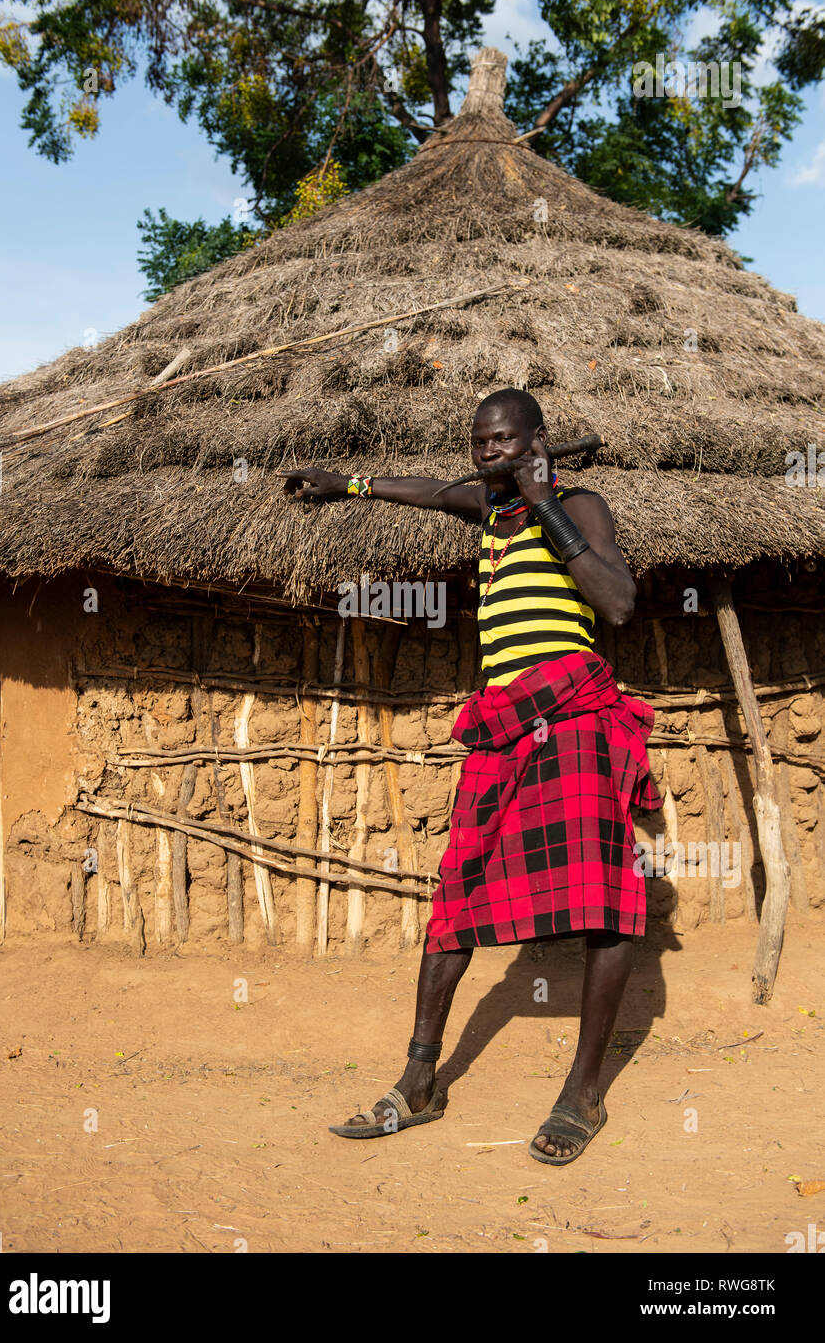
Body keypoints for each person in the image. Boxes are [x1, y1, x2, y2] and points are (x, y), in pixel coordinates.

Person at [281, 387, 661, 1164]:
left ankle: (582, 1096)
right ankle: (420, 1079)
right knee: (456, 895)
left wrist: (545, 499)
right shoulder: (487, 511)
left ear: (535, 441)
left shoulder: (580, 506)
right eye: (478, 441)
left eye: (499, 440)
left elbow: (618, 604)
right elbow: (428, 492)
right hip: (501, 726)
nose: (484, 451)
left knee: (604, 905)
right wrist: (346, 484)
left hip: (572, 716)